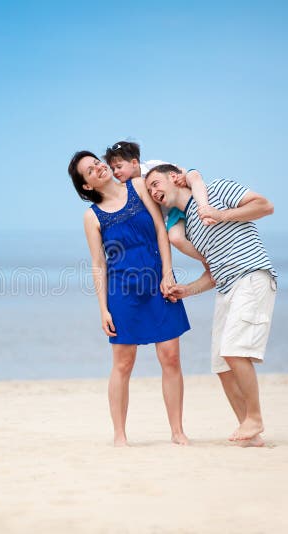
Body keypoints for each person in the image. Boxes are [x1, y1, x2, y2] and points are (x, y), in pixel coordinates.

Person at [145, 164, 276, 447]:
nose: (154, 191)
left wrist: (221, 214)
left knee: (233, 351)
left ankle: (254, 417)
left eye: (156, 183)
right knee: (221, 363)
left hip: (251, 276)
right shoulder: (189, 226)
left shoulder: (216, 189)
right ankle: (249, 431)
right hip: (227, 288)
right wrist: (187, 290)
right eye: (150, 189)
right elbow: (213, 274)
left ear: (174, 178)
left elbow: (265, 206)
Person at [68, 150, 190, 447]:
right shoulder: (92, 216)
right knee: (123, 364)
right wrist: (103, 309)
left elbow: (161, 229)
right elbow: (98, 264)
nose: (98, 167)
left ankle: (177, 431)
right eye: (90, 170)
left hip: (159, 285)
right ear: (86, 186)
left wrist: (168, 273)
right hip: (122, 293)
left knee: (171, 358)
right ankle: (119, 435)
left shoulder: (137, 186)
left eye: (97, 162)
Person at [103, 141, 218, 227]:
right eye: (112, 169)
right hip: (171, 214)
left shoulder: (152, 166)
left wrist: (183, 175)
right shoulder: (125, 189)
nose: (115, 173)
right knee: (175, 237)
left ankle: (204, 207)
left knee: (192, 174)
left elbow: (177, 170)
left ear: (134, 163)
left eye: (119, 167)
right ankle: (204, 258)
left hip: (181, 198)